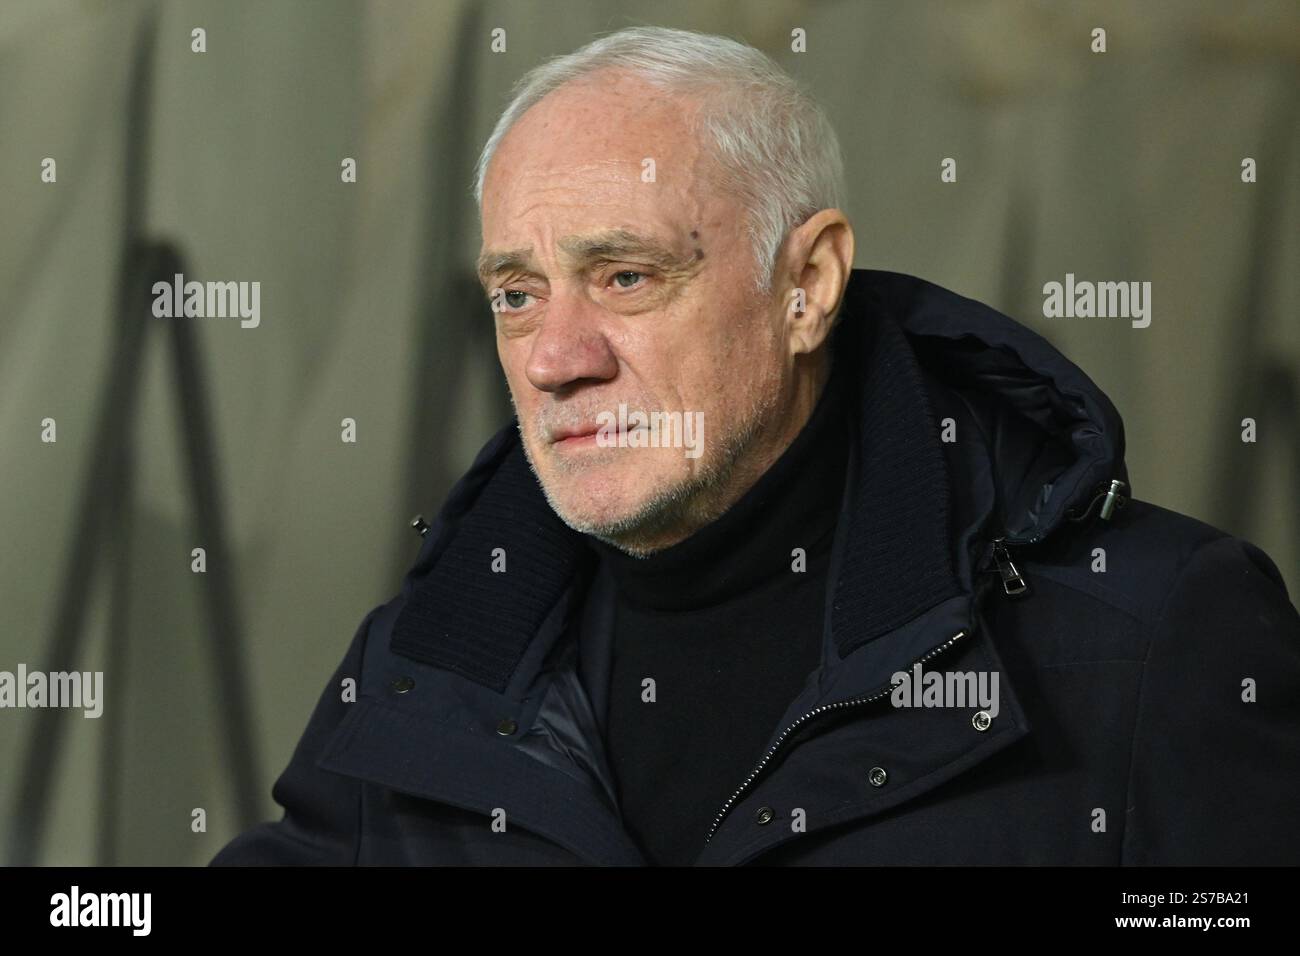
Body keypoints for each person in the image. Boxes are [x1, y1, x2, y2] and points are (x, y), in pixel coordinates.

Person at [211, 25, 1300, 866]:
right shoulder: (427, 664)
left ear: (806, 286)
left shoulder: (1148, 638)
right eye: (515, 293)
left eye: (626, 276)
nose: (555, 357)